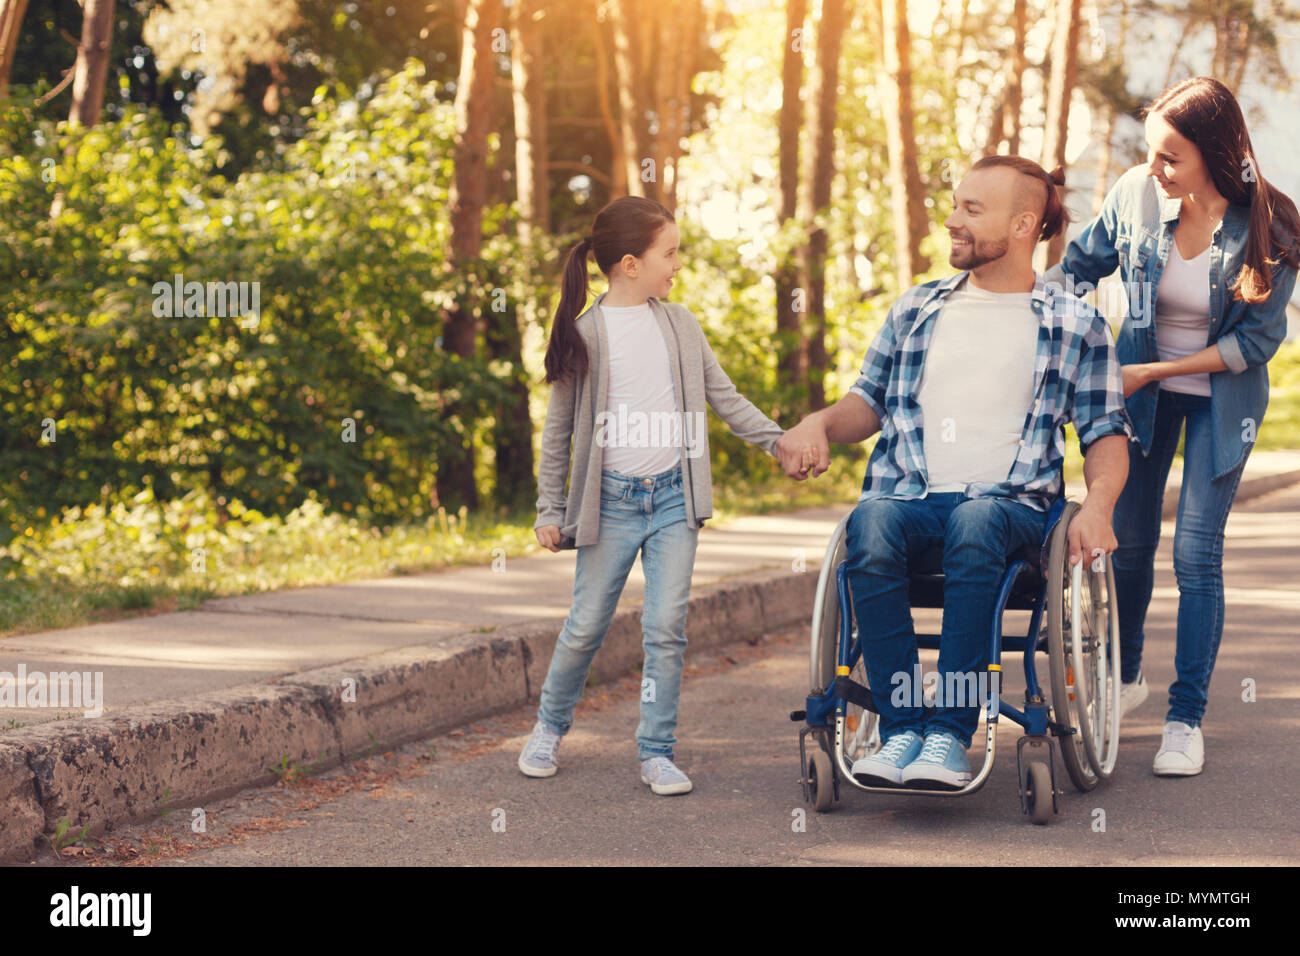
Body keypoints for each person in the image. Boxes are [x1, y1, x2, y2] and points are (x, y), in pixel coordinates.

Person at [775, 155, 1133, 790]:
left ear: (1024, 225)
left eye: (972, 210)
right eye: (955, 205)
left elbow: (1105, 434)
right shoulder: (917, 308)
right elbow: (867, 403)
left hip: (1012, 509)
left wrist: (1100, 503)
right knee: (872, 518)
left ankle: (947, 734)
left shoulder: (1076, 323)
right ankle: (903, 727)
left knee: (976, 518)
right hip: (911, 499)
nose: (951, 220)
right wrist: (818, 424)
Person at [1045, 76, 1300, 776]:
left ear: (1216, 155)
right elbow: (1078, 269)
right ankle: (1126, 678)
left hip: (1220, 402)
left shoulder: (1272, 225)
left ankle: (1185, 718)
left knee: (1195, 556)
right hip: (1140, 400)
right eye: (1151, 153)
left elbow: (1253, 343)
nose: (1154, 170)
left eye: (1170, 158)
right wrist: (1022, 315)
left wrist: (1149, 372)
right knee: (1127, 547)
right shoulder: (1135, 194)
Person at [521, 196, 812, 795]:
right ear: (630, 263)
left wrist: (779, 443)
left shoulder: (679, 324)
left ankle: (656, 751)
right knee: (585, 625)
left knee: (667, 628)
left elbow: (723, 396)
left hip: (674, 500)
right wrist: (551, 509)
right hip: (611, 505)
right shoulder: (586, 334)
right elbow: (558, 433)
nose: (677, 264)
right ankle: (549, 727)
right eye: (669, 253)